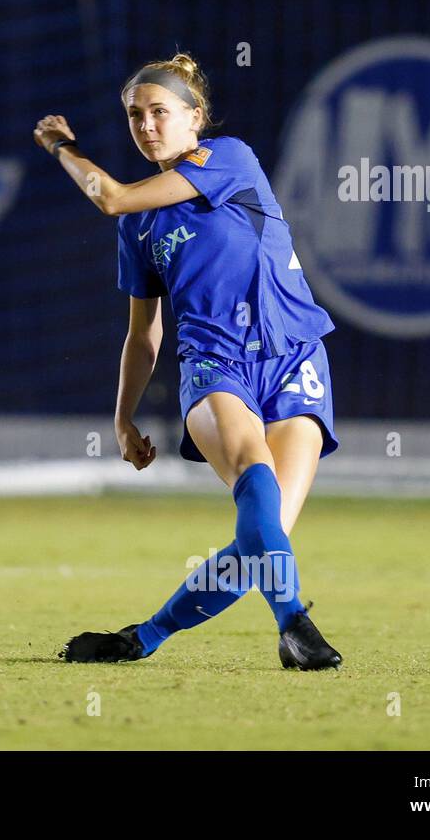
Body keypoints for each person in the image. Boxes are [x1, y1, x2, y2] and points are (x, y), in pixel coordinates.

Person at [33, 52, 343, 669]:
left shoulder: (229, 158)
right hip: (214, 365)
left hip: (294, 354)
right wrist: (123, 418)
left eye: (159, 112)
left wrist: (62, 148)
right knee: (256, 488)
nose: (146, 126)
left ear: (194, 116)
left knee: (263, 538)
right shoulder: (138, 226)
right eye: (134, 116)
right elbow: (143, 334)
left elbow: (111, 196)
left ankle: (141, 638)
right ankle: (296, 627)